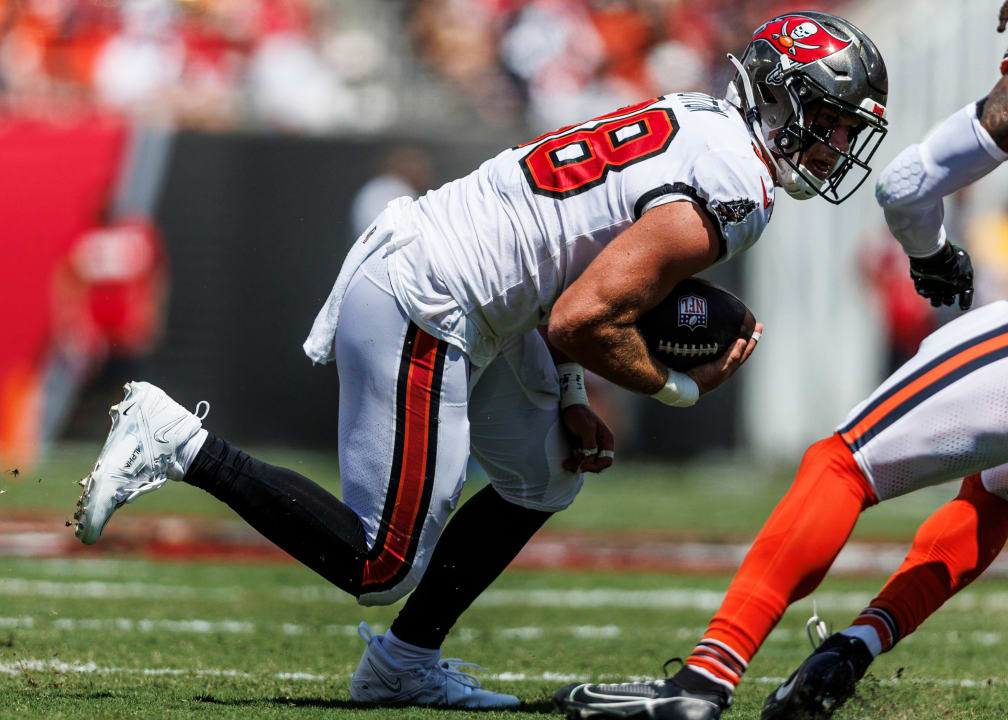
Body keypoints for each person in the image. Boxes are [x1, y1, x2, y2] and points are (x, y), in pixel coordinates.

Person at [70, 9, 888, 710]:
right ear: (783, 97)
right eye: (838, 121)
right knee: (380, 561)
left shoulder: (699, 120)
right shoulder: (734, 183)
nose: (839, 145)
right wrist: (677, 385)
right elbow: (579, 315)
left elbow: (570, 262)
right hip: (432, 294)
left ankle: (402, 665)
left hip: (480, 290)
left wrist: (569, 392)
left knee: (546, 470)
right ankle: (176, 439)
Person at [554, 1, 1008, 718]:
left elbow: (907, 184)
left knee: (842, 462)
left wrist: (932, 255)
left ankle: (702, 685)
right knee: (1000, 493)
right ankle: (855, 647)